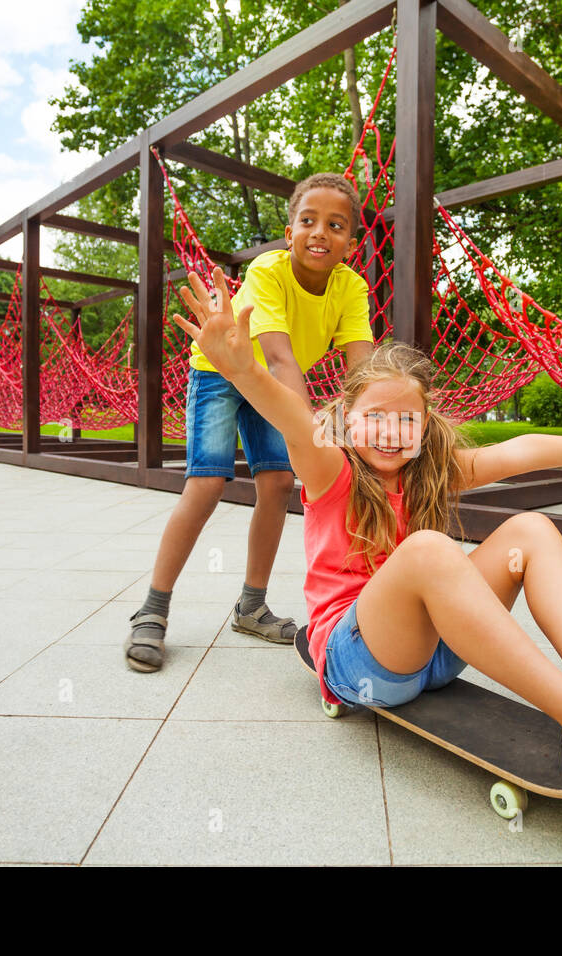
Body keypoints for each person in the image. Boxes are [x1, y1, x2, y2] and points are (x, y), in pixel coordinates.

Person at [171, 265, 562, 812]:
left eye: (408, 420)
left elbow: (521, 451)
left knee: (531, 529)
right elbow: (291, 417)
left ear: (426, 429)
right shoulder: (331, 470)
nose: (391, 432)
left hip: (437, 657)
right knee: (426, 549)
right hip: (363, 665)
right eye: (375, 416)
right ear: (348, 419)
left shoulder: (433, 469)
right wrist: (241, 369)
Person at [124, 173, 375, 673]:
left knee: (279, 482)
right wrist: (317, 439)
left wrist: (363, 432)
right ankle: (152, 609)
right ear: (289, 232)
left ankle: (251, 607)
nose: (320, 232)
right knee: (208, 484)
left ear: (351, 242)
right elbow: (281, 360)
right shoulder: (267, 271)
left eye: (335, 224)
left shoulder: (351, 287)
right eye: (308, 221)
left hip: (266, 384)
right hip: (220, 372)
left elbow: (361, 369)